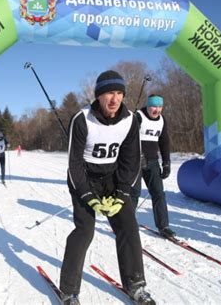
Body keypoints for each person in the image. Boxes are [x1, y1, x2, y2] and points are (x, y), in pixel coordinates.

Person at [59, 70, 154, 305]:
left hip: (112, 178)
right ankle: (69, 291)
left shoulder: (131, 120)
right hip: (84, 178)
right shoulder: (82, 119)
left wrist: (121, 193)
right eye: (110, 93)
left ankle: (136, 286)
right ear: (99, 96)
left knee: (129, 227)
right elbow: (74, 164)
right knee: (84, 231)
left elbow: (131, 161)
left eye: (120, 93)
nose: (115, 99)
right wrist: (88, 195)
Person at [130, 94, 175, 239]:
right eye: (154, 106)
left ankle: (164, 226)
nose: (157, 110)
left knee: (158, 193)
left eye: (160, 107)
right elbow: (128, 138)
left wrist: (166, 162)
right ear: (148, 106)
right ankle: (126, 225)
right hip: (135, 161)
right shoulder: (139, 116)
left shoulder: (162, 120)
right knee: (134, 193)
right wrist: (138, 154)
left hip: (152, 161)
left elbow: (164, 141)